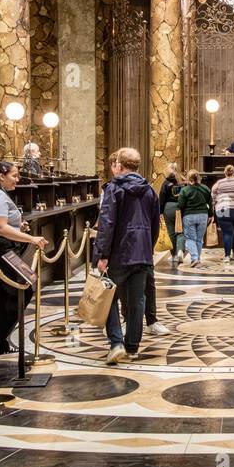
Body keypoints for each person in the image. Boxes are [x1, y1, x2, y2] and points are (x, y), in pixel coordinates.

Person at [95, 146, 159, 365]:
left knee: (108, 297)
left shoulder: (113, 189)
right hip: (142, 252)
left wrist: (102, 254)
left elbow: (106, 223)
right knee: (137, 300)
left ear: (119, 166)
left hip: (118, 252)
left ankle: (116, 342)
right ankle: (133, 347)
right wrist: (148, 249)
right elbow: (155, 223)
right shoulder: (150, 190)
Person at [0, 161, 46, 354]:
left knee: (2, 296)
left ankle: (0, 344)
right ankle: (0, 339)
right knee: (21, 290)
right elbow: (0, 227)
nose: (17, 180)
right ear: (2, 176)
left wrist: (18, 227)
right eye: (14, 176)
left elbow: (2, 223)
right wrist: (31, 238)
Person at [177, 169, 214, 267]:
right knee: (199, 239)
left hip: (189, 215)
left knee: (190, 238)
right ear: (199, 178)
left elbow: (181, 204)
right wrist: (211, 215)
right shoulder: (205, 188)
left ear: (188, 179)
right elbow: (210, 203)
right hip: (203, 215)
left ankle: (194, 258)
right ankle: (197, 258)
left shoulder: (185, 190)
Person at [158, 162, 187, 264]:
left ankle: (174, 255)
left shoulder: (166, 182)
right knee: (181, 230)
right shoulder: (184, 181)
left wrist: (160, 212)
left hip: (169, 207)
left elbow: (161, 197)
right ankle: (180, 251)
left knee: (171, 231)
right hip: (180, 207)